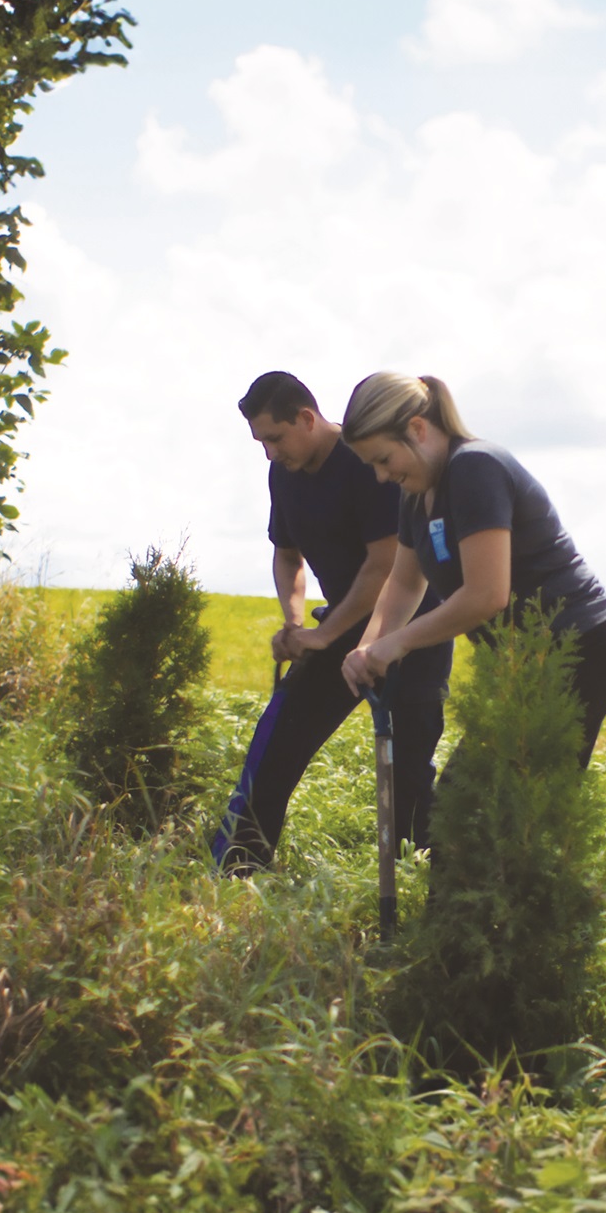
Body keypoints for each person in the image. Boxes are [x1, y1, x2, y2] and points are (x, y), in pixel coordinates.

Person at [339, 372, 606, 795]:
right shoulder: (416, 495)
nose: (382, 476)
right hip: (525, 662)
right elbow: (403, 584)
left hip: (580, 647)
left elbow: (486, 595)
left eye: (384, 460)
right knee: (470, 812)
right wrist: (368, 648)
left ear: (418, 430)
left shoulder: (475, 468)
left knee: (501, 810)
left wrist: (399, 643)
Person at [210, 371, 453, 874]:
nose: (270, 453)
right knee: (279, 743)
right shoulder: (283, 473)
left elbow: (383, 567)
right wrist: (295, 624)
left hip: (411, 630)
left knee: (407, 773)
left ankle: (421, 885)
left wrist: (323, 633)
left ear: (306, 417)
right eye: (261, 443)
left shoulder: (365, 460)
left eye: (274, 438)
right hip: (339, 625)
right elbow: (287, 556)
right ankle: (238, 867)